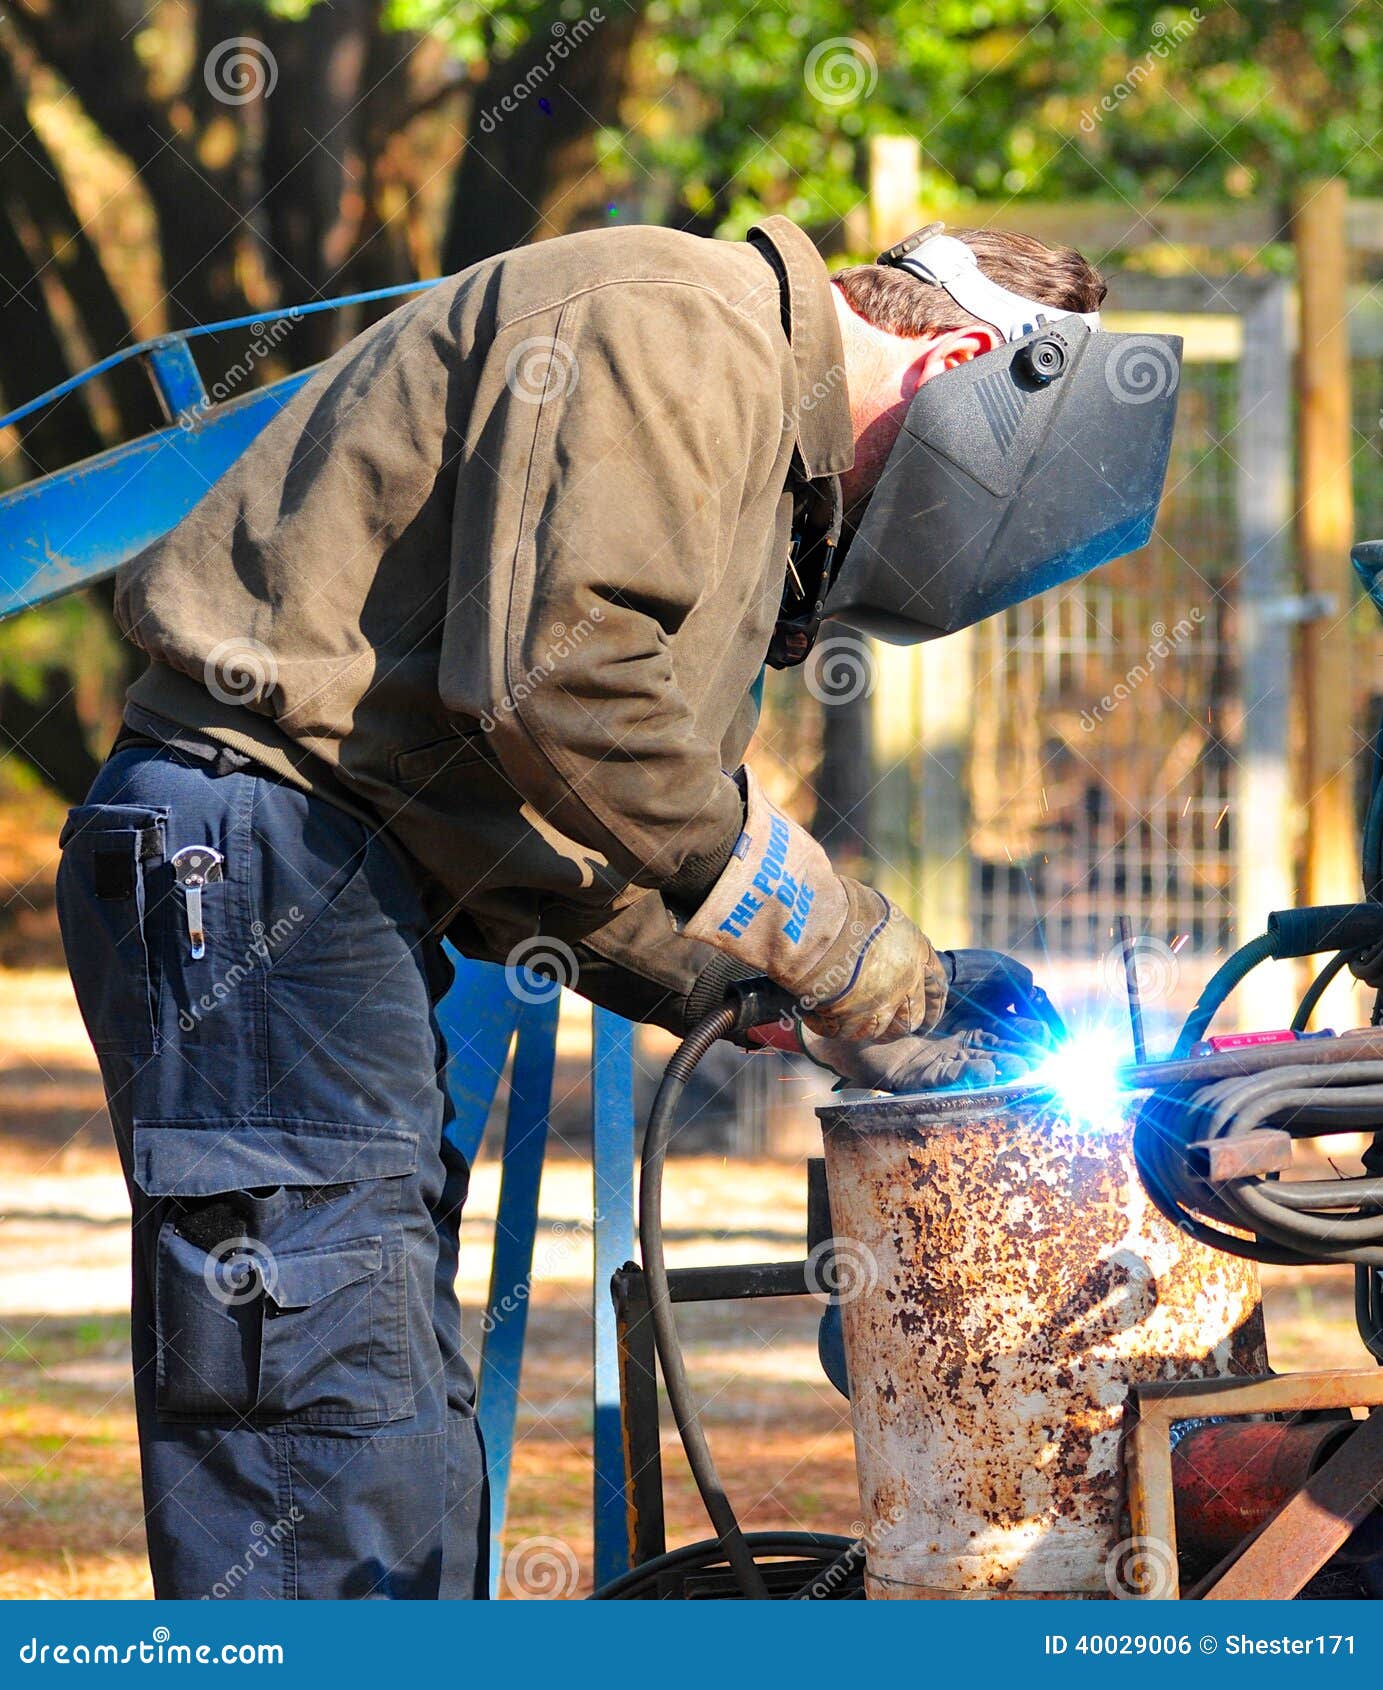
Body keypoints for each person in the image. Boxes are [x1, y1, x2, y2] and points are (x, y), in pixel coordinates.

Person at [55, 215, 1178, 1598]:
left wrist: (760, 993)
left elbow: (546, 826)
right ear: (955, 361)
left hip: (335, 867)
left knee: (379, 1389)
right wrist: (844, 953)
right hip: (257, 851)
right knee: (321, 1406)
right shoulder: (682, 325)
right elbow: (565, 689)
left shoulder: (748, 437)